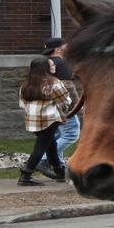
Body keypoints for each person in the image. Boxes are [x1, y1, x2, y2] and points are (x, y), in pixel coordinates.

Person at [15, 57, 71, 186]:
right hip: (50, 119)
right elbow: (65, 101)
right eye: (51, 65)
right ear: (45, 68)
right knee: (40, 147)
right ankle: (26, 175)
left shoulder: (25, 84)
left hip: (32, 120)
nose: (54, 67)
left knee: (51, 146)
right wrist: (65, 109)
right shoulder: (54, 83)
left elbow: (22, 104)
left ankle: (59, 172)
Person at [43, 37, 81, 172]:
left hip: (49, 104)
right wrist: (75, 106)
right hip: (63, 105)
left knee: (58, 135)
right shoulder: (60, 62)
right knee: (71, 134)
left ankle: (57, 165)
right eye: (65, 46)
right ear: (58, 49)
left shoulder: (45, 63)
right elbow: (68, 86)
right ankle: (44, 159)